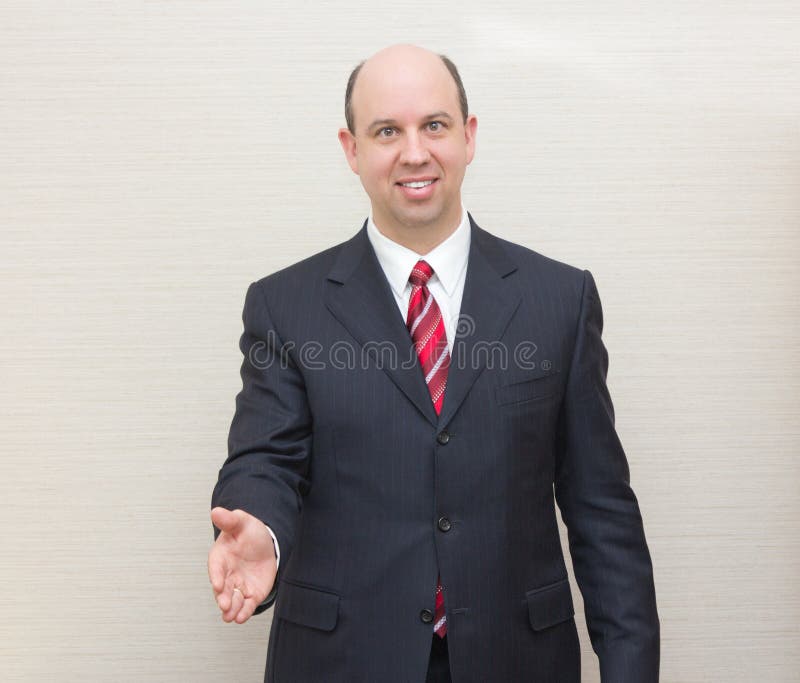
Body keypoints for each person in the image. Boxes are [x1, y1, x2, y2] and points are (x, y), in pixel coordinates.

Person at [208, 44, 659, 683]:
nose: (414, 152)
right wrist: (261, 528)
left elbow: (602, 510)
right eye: (387, 131)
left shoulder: (560, 299)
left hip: (517, 660)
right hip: (344, 661)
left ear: (468, 137)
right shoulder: (285, 305)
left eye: (435, 126)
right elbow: (265, 460)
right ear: (352, 149)